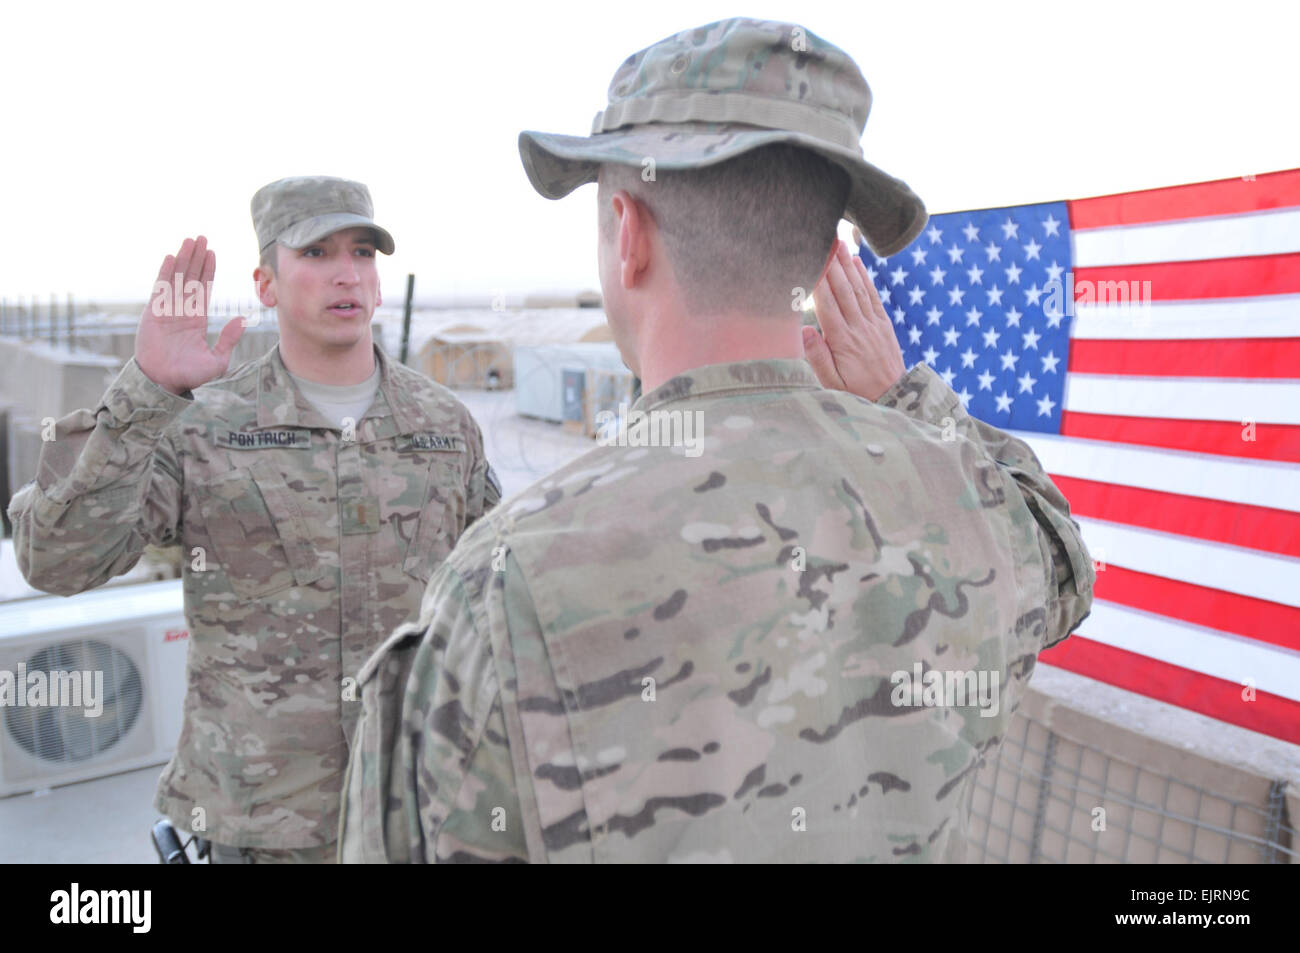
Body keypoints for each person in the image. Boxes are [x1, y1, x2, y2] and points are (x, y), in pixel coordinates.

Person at [338, 18, 1093, 863]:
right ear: (815, 256)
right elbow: (1060, 557)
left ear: (629, 234)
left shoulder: (506, 583)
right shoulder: (968, 505)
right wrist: (902, 397)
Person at [8, 176, 500, 863]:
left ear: (380, 283)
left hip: (419, 813)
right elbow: (57, 560)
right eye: (318, 253)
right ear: (266, 284)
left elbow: (494, 602)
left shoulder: (447, 427)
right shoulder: (200, 422)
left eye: (362, 252)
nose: (346, 272)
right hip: (261, 830)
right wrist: (147, 391)